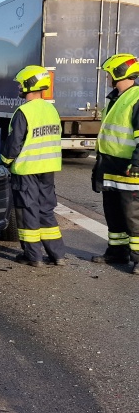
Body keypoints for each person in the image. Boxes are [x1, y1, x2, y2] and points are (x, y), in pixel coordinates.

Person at [0, 65, 66, 267]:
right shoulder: (51, 109)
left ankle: (33, 256)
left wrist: (4, 161)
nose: (19, 88)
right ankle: (58, 255)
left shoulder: (23, 112)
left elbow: (14, 143)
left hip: (27, 169)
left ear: (29, 84)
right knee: (46, 210)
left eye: (21, 84)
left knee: (27, 211)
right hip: (48, 168)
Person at [91, 53, 139, 273]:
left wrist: (136, 164)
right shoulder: (115, 98)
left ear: (120, 73)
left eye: (109, 73)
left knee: (133, 215)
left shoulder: (136, 98)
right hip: (110, 164)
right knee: (113, 212)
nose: (107, 77)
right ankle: (117, 252)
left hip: (129, 167)